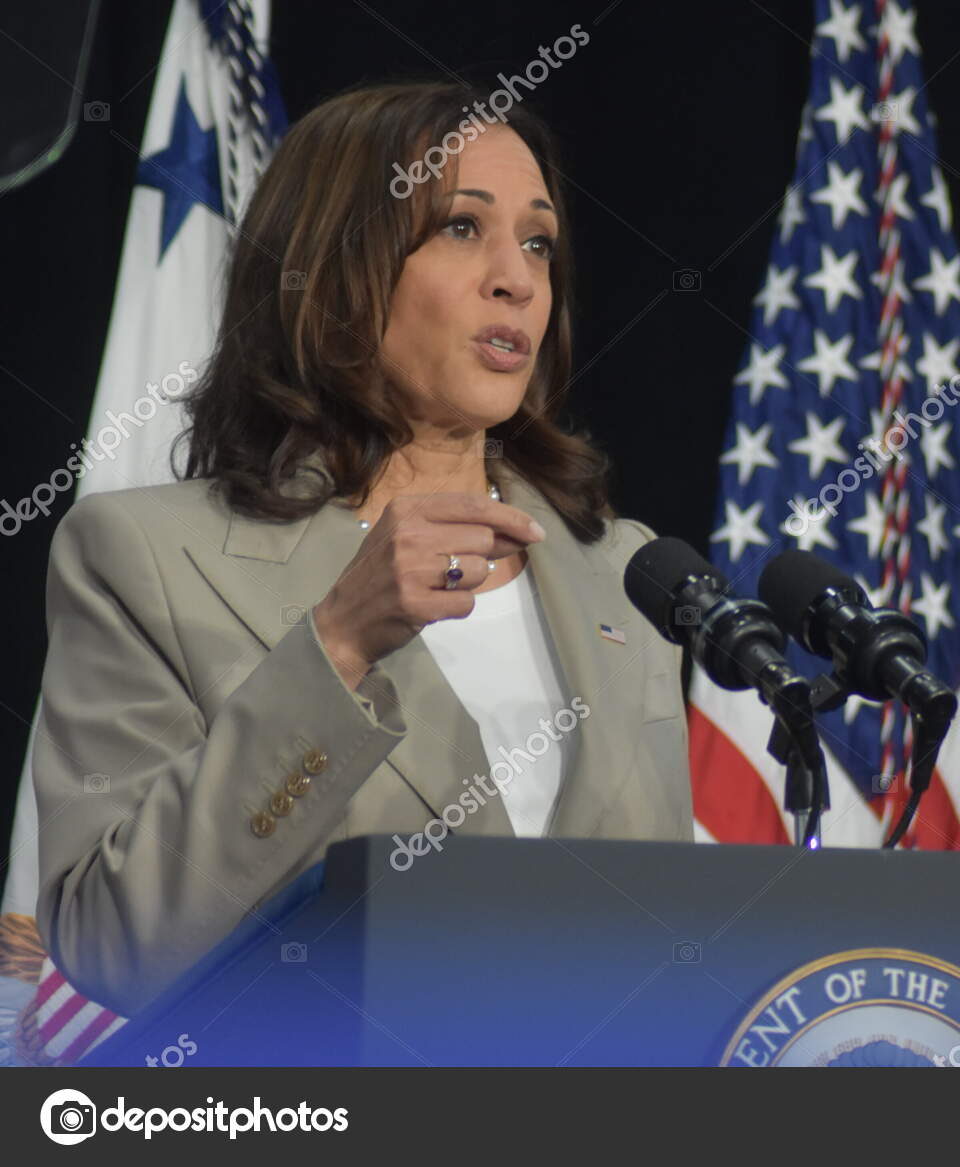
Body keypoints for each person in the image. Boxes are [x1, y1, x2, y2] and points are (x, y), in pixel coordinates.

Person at [31, 83, 692, 1017]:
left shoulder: (624, 573)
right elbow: (116, 939)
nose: (517, 278)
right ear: (334, 273)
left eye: (539, 242)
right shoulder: (145, 558)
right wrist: (336, 647)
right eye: (461, 228)